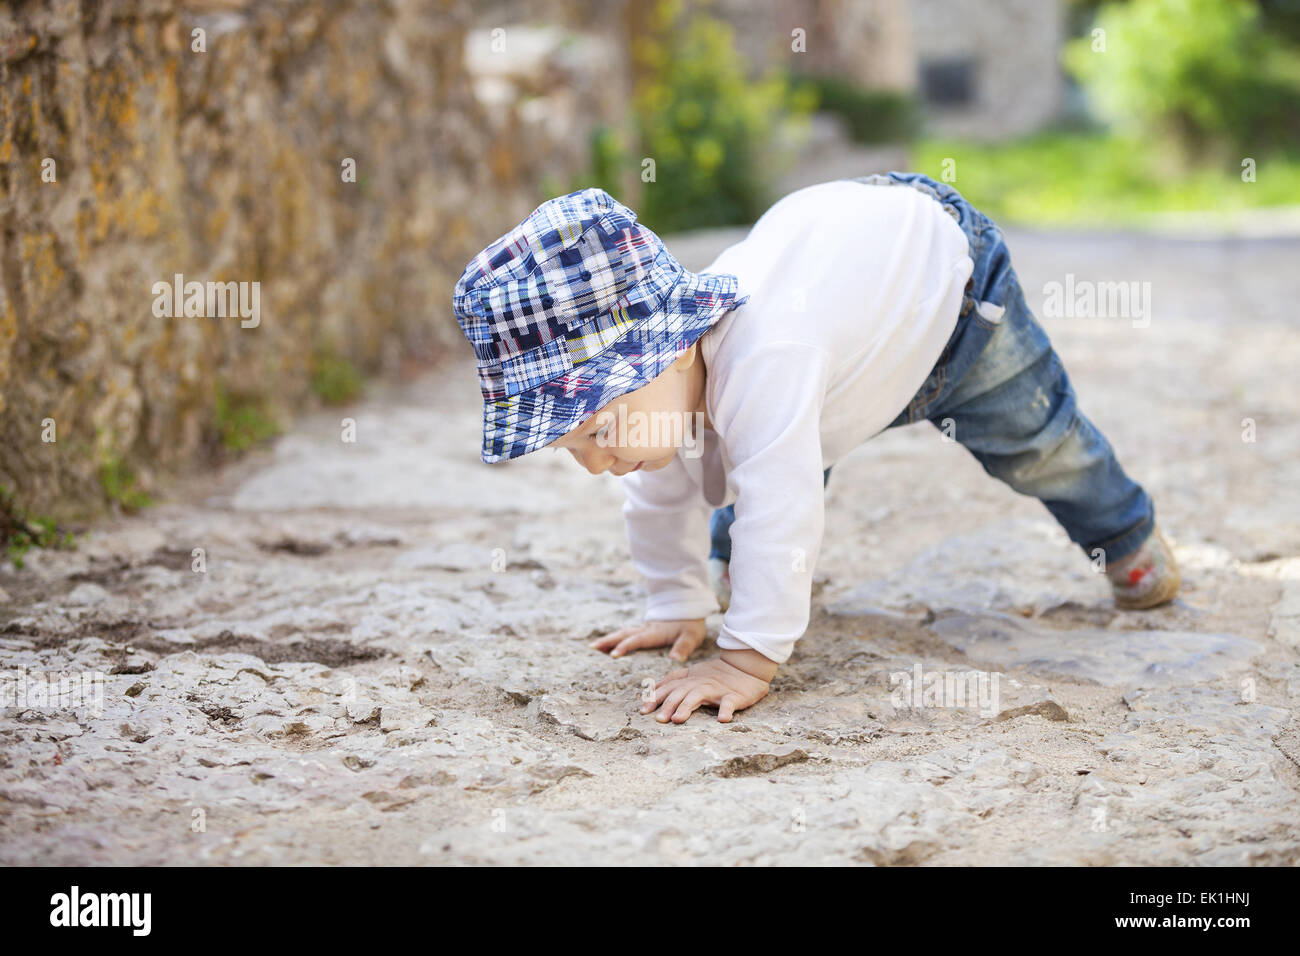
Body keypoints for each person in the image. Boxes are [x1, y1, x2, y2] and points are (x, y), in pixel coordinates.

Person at [452, 173, 1181, 725]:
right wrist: (676, 601)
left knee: (1038, 443)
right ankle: (737, 580)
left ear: (670, 353)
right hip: (844, 350)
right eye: (571, 444)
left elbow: (784, 506)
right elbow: (656, 494)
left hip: (950, 309)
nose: (595, 461)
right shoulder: (669, 389)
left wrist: (744, 662)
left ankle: (1123, 532)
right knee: (743, 475)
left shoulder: (767, 357)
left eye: (599, 429)